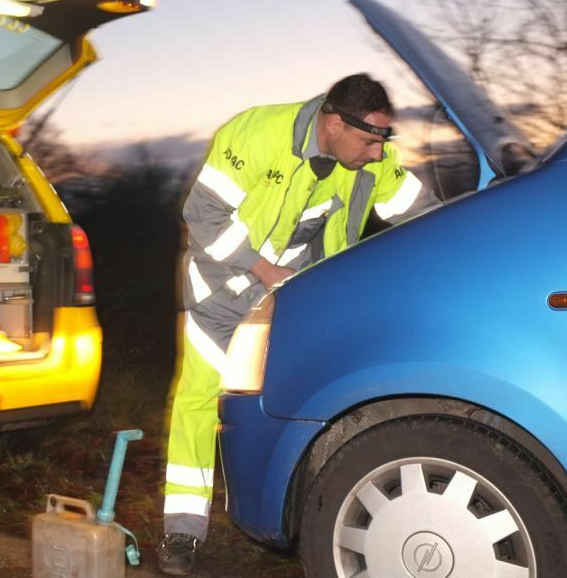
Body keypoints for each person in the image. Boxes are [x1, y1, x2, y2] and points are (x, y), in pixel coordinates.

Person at [157, 74, 436, 576]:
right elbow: (203, 215)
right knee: (199, 400)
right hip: (223, 290)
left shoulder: (372, 159)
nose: (378, 154)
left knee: (308, 400)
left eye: (382, 140)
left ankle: (306, 513)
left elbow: (421, 214)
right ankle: (182, 531)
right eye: (370, 140)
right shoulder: (255, 134)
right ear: (333, 123)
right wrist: (266, 273)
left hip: (300, 300)